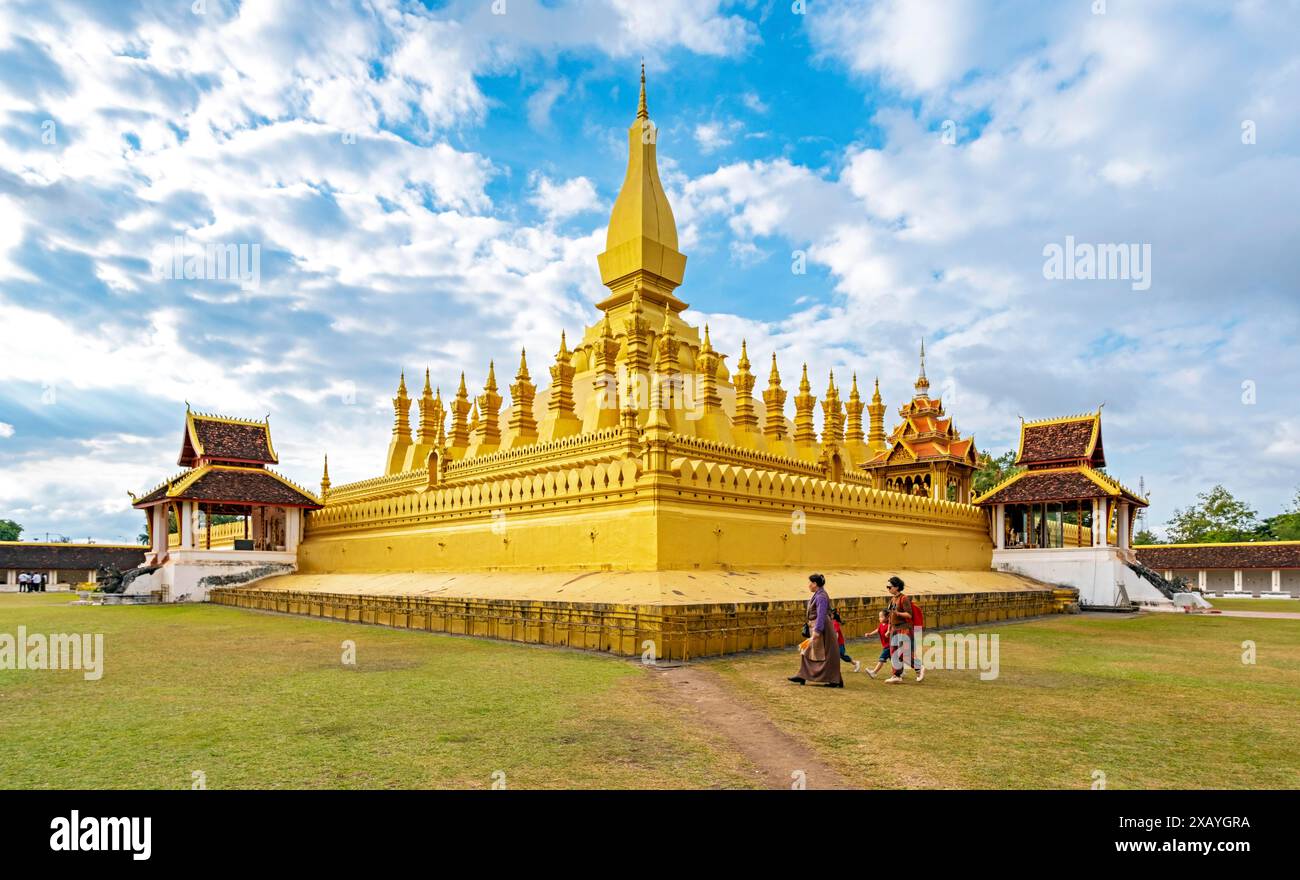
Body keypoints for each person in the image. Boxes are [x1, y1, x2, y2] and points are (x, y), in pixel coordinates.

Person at [788, 573, 844, 687]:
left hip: (821, 627)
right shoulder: (819, 594)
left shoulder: (821, 596)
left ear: (815, 584)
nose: (808, 585)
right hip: (817, 626)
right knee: (808, 650)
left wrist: (817, 631)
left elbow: (821, 614)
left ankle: (833, 679)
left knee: (824, 653)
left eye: (810, 583)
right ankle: (803, 674)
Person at [884, 575, 920, 683]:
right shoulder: (892, 599)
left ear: (897, 587)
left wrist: (898, 613)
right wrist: (888, 628)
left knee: (904, 652)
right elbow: (890, 615)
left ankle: (919, 668)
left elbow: (909, 615)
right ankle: (896, 675)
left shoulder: (904, 599)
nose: (888, 589)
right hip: (894, 629)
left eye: (890, 587)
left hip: (904, 628)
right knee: (893, 652)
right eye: (888, 587)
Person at [864, 609, 890, 679]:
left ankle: (874, 672)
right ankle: (901, 671)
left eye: (881, 617)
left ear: (887, 617)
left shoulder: (889, 626)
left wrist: (888, 631)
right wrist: (869, 634)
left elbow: (890, 632)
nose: (880, 618)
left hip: (889, 646)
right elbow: (877, 630)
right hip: (885, 646)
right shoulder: (881, 625)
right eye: (879, 617)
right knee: (895, 660)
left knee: (882, 659)